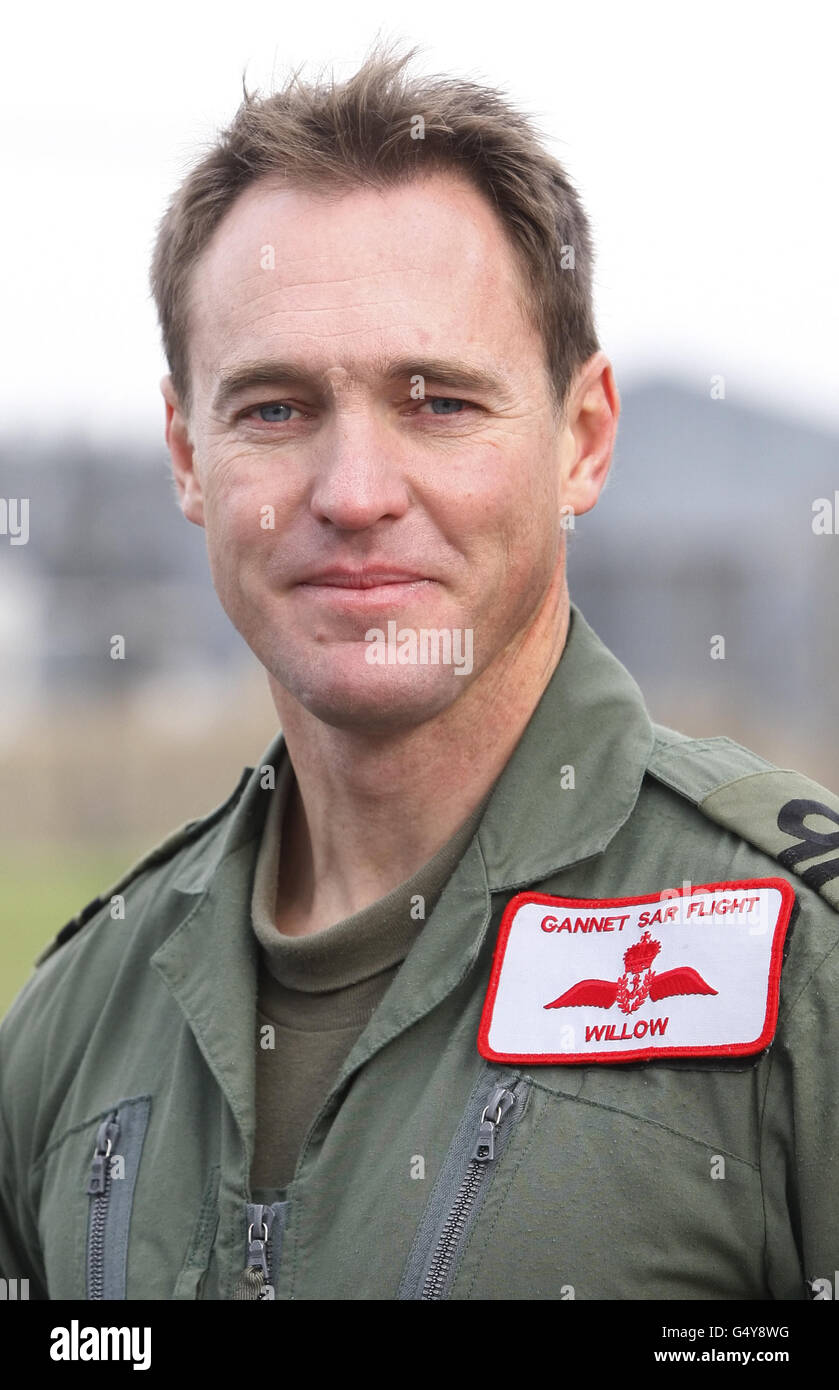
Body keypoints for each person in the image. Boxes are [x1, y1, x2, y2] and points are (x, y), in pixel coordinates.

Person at [1, 41, 838, 1302]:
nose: (353, 494)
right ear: (186, 455)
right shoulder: (72, 1023)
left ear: (581, 439)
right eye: (274, 409)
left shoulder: (796, 961)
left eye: (438, 402)